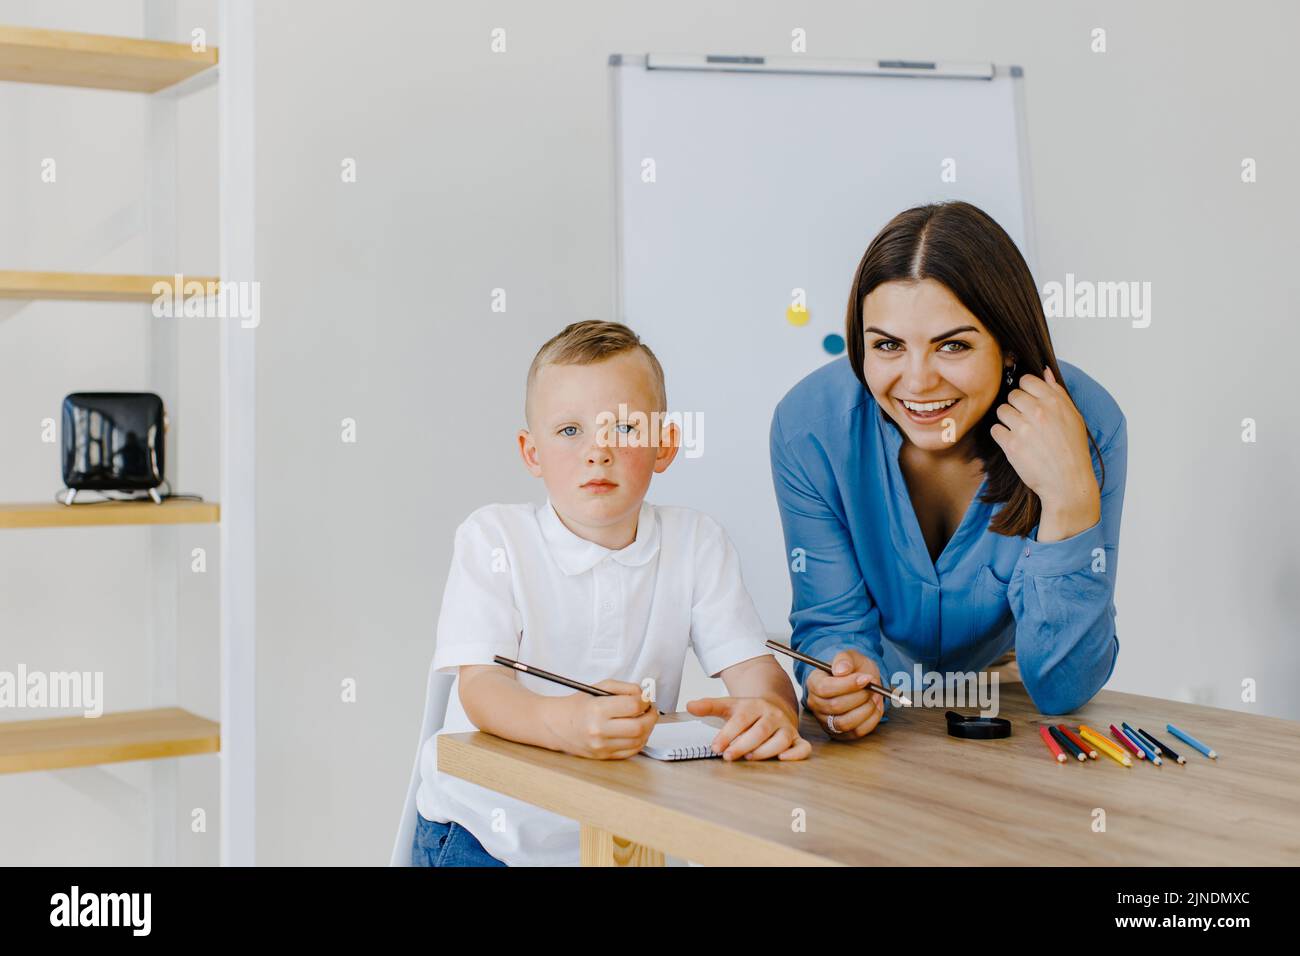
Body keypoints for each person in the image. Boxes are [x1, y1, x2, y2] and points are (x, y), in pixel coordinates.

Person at [414, 320, 808, 866]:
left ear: (664, 445)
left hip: (625, 830)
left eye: (623, 428)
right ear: (532, 453)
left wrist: (770, 711)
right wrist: (565, 725)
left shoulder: (696, 541)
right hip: (486, 832)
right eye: (570, 431)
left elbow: (756, 674)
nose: (597, 452)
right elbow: (482, 689)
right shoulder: (493, 537)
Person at [770, 201, 1127, 739]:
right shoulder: (810, 429)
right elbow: (833, 627)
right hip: (886, 709)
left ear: (1008, 346)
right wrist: (840, 676)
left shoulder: (1088, 423)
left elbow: (1062, 688)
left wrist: (1071, 501)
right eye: (888, 345)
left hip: (1011, 697)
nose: (917, 382)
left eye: (953, 345)